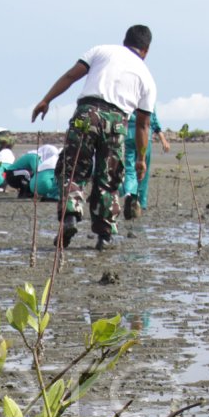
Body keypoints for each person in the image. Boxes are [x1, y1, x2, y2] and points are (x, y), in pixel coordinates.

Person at [32, 24, 156, 250]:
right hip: (118, 122)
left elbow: (71, 76)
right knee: (108, 179)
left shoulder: (102, 51)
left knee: (72, 169)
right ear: (146, 50)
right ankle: (104, 235)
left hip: (86, 114)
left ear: (124, 41)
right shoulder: (147, 77)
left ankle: (70, 216)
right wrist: (140, 158)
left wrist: (46, 100)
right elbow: (143, 125)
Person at [121, 108, 170, 218]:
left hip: (128, 133)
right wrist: (163, 138)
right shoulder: (147, 91)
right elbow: (153, 117)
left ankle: (129, 193)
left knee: (130, 169)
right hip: (144, 135)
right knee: (143, 169)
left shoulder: (128, 92)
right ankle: (141, 203)